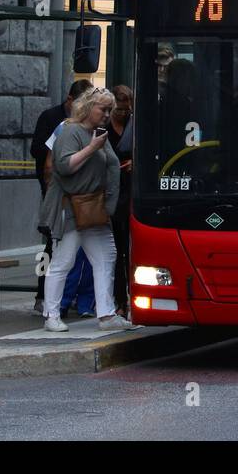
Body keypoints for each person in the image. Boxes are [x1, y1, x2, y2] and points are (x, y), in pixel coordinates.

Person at [38, 87, 131, 332]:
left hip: (94, 208)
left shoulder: (98, 133)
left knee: (105, 257)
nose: (107, 114)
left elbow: (110, 165)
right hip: (73, 207)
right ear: (89, 107)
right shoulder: (71, 131)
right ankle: (52, 315)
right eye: (103, 108)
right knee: (63, 260)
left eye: (109, 110)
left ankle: (107, 315)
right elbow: (65, 166)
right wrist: (92, 148)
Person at [29, 79, 93, 314]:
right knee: (53, 245)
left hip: (76, 193)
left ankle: (72, 299)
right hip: (58, 193)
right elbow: (40, 153)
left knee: (73, 248)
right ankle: (45, 296)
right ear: (70, 100)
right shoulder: (56, 120)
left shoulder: (83, 124)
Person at [108, 85, 134, 317]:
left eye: (126, 110)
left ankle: (131, 298)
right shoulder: (103, 127)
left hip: (130, 190)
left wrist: (136, 164)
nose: (123, 114)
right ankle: (119, 300)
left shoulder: (135, 125)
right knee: (115, 250)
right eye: (119, 109)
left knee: (129, 249)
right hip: (111, 193)